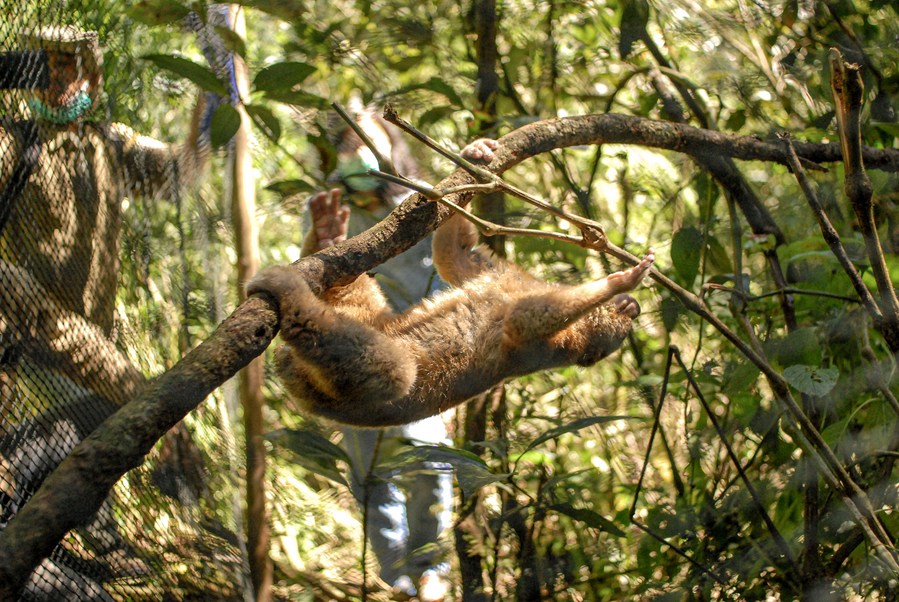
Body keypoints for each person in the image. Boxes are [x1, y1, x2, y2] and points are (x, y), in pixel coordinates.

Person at [323, 109, 455, 601]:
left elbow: (445, 282)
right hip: (356, 360)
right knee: (372, 471)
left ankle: (430, 569)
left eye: (366, 141)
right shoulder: (330, 206)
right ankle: (395, 576)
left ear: (390, 146)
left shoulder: (421, 204)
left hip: (421, 357)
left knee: (429, 462)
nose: (356, 153)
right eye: (345, 144)